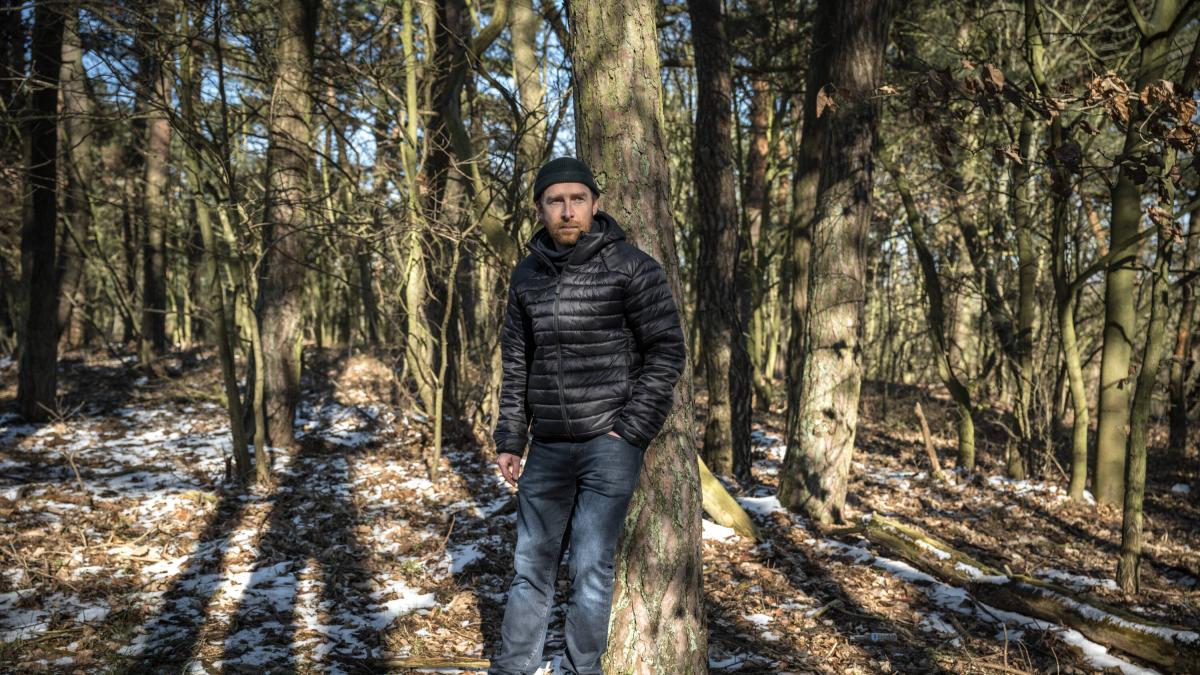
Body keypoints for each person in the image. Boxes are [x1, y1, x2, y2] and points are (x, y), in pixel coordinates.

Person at [489, 157, 686, 675]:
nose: (567, 210)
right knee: (530, 568)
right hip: (547, 446)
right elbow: (517, 360)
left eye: (577, 199)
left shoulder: (631, 266)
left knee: (591, 569)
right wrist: (510, 437)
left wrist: (631, 431)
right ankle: (512, 668)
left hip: (609, 442)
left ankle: (581, 669)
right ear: (540, 209)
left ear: (595, 204)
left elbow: (666, 350)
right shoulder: (527, 273)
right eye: (556, 200)